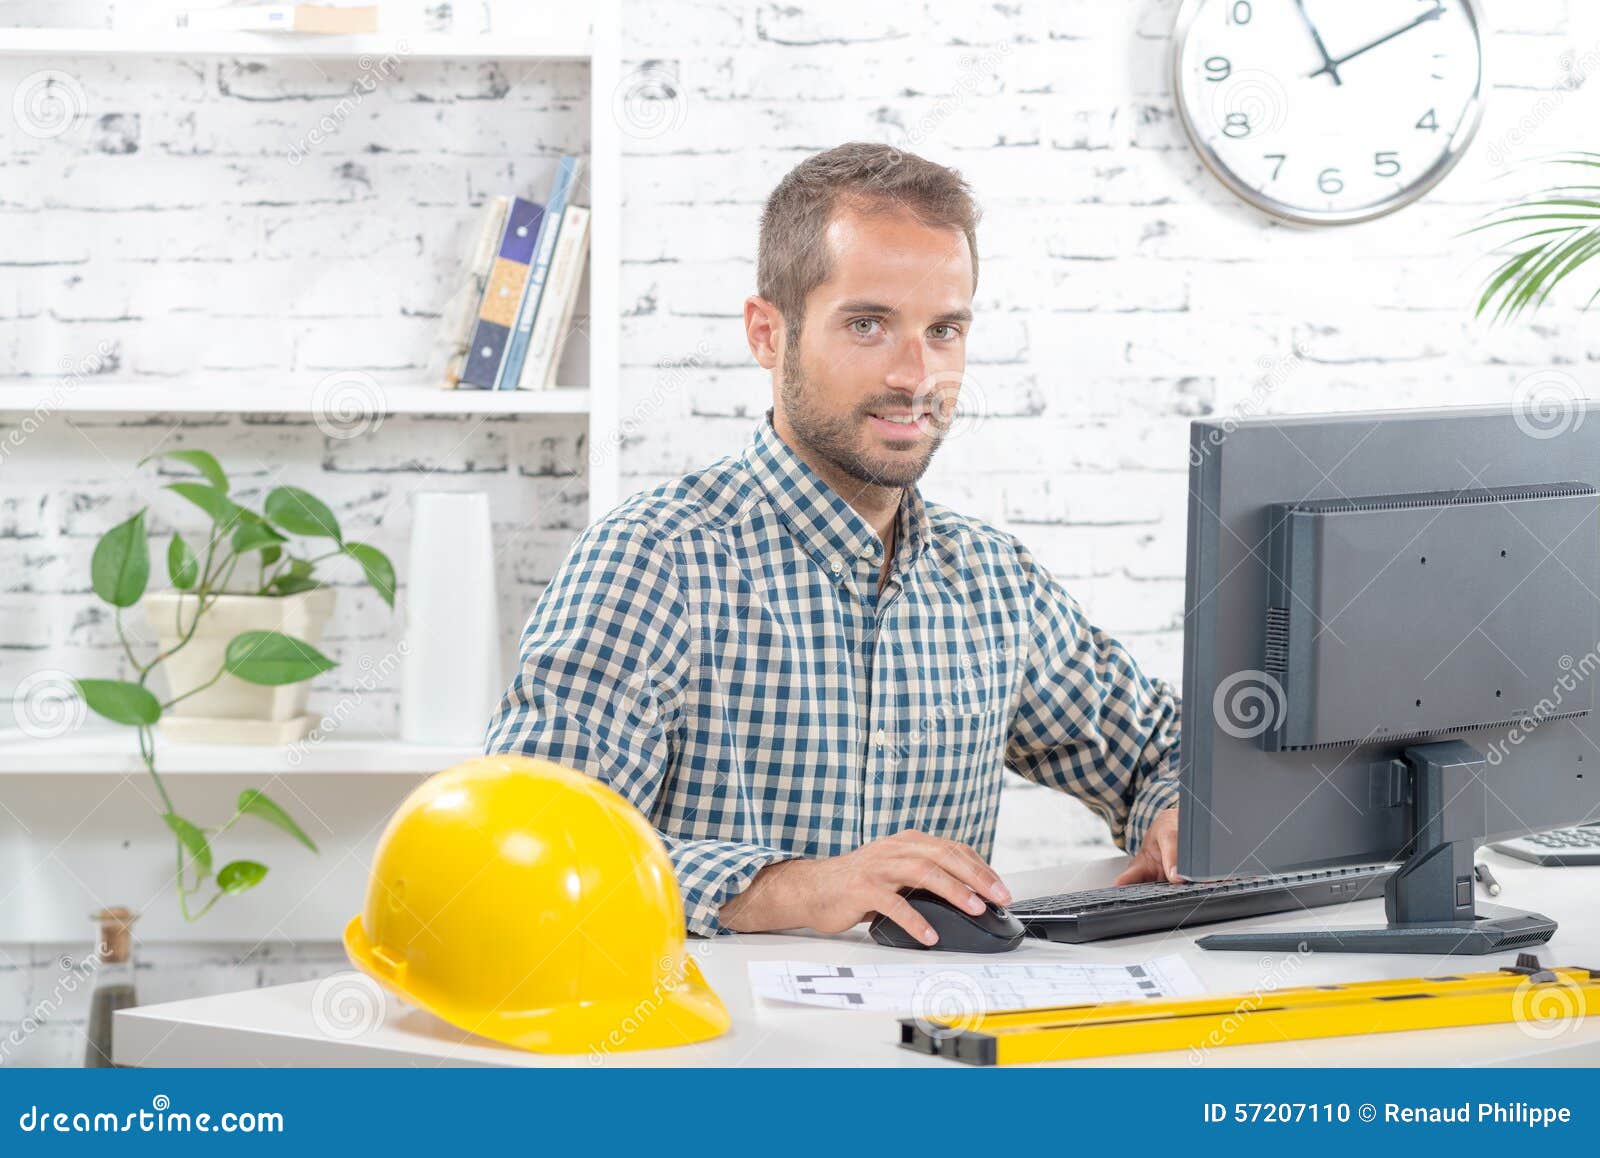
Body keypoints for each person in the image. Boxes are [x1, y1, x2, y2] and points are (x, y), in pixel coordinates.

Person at [486, 141, 1182, 946]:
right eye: (868, 325)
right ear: (766, 333)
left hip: (933, 1054)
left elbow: (1165, 750)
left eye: (945, 329)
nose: (916, 375)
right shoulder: (654, 562)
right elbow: (527, 849)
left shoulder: (996, 582)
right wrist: (789, 889)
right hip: (704, 1055)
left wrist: (1174, 810)